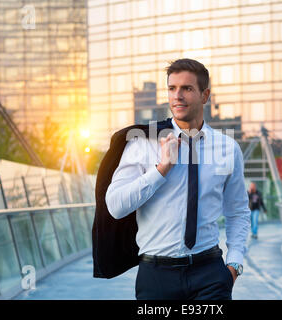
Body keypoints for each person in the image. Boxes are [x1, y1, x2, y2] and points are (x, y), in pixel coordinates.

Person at [105, 58, 250, 300]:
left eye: (187, 89)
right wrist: (161, 169)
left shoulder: (227, 148)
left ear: (205, 96)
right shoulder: (144, 142)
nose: (177, 96)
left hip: (210, 274)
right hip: (156, 276)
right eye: (172, 88)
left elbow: (238, 211)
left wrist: (234, 265)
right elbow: (116, 207)